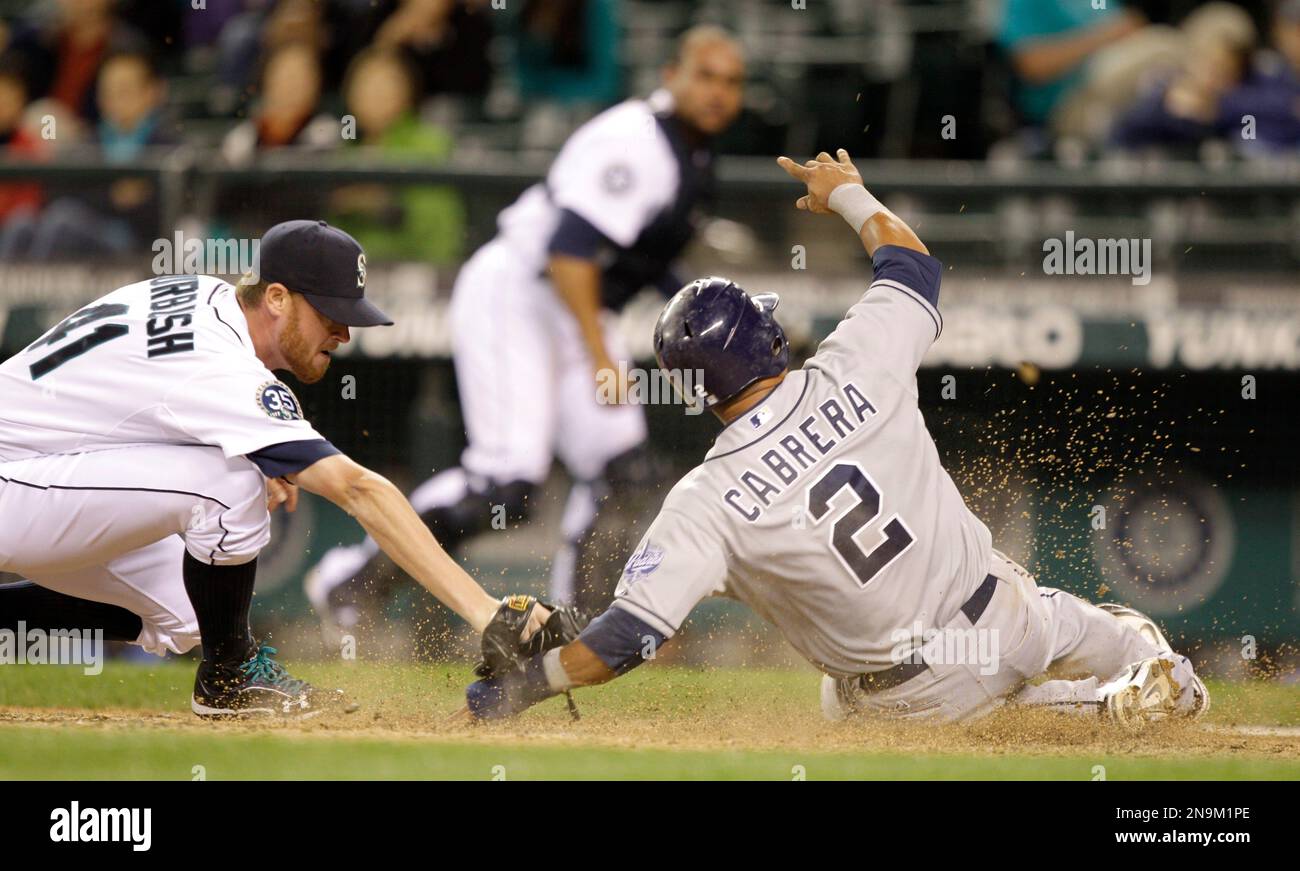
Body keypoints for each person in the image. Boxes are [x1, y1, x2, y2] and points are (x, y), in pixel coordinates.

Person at [462, 150, 1211, 727]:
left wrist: (529, 684)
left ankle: (1104, 709)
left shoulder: (705, 500)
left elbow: (626, 637)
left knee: (860, 702)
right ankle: (1143, 677)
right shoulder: (856, 361)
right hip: (1009, 606)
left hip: (915, 689)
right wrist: (844, 191)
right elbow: (913, 264)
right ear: (765, 341)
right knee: (1124, 637)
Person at [0, 220, 545, 718]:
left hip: (38, 470)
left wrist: (245, 445)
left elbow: (137, 403)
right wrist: (486, 612)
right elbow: (357, 489)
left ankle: (225, 658)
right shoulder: (220, 362)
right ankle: (230, 678)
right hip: (14, 478)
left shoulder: (207, 296)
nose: (344, 334)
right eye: (330, 314)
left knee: (192, 613)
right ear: (278, 298)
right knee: (226, 487)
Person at [303, 25, 746, 635]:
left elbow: (645, 260)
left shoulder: (694, 154)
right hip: (521, 292)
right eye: (706, 75)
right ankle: (347, 581)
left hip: (577, 307)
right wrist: (600, 358)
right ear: (671, 75)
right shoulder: (636, 140)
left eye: (731, 81)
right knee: (505, 485)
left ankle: (580, 629)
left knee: (626, 474)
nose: (719, 92)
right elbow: (569, 252)